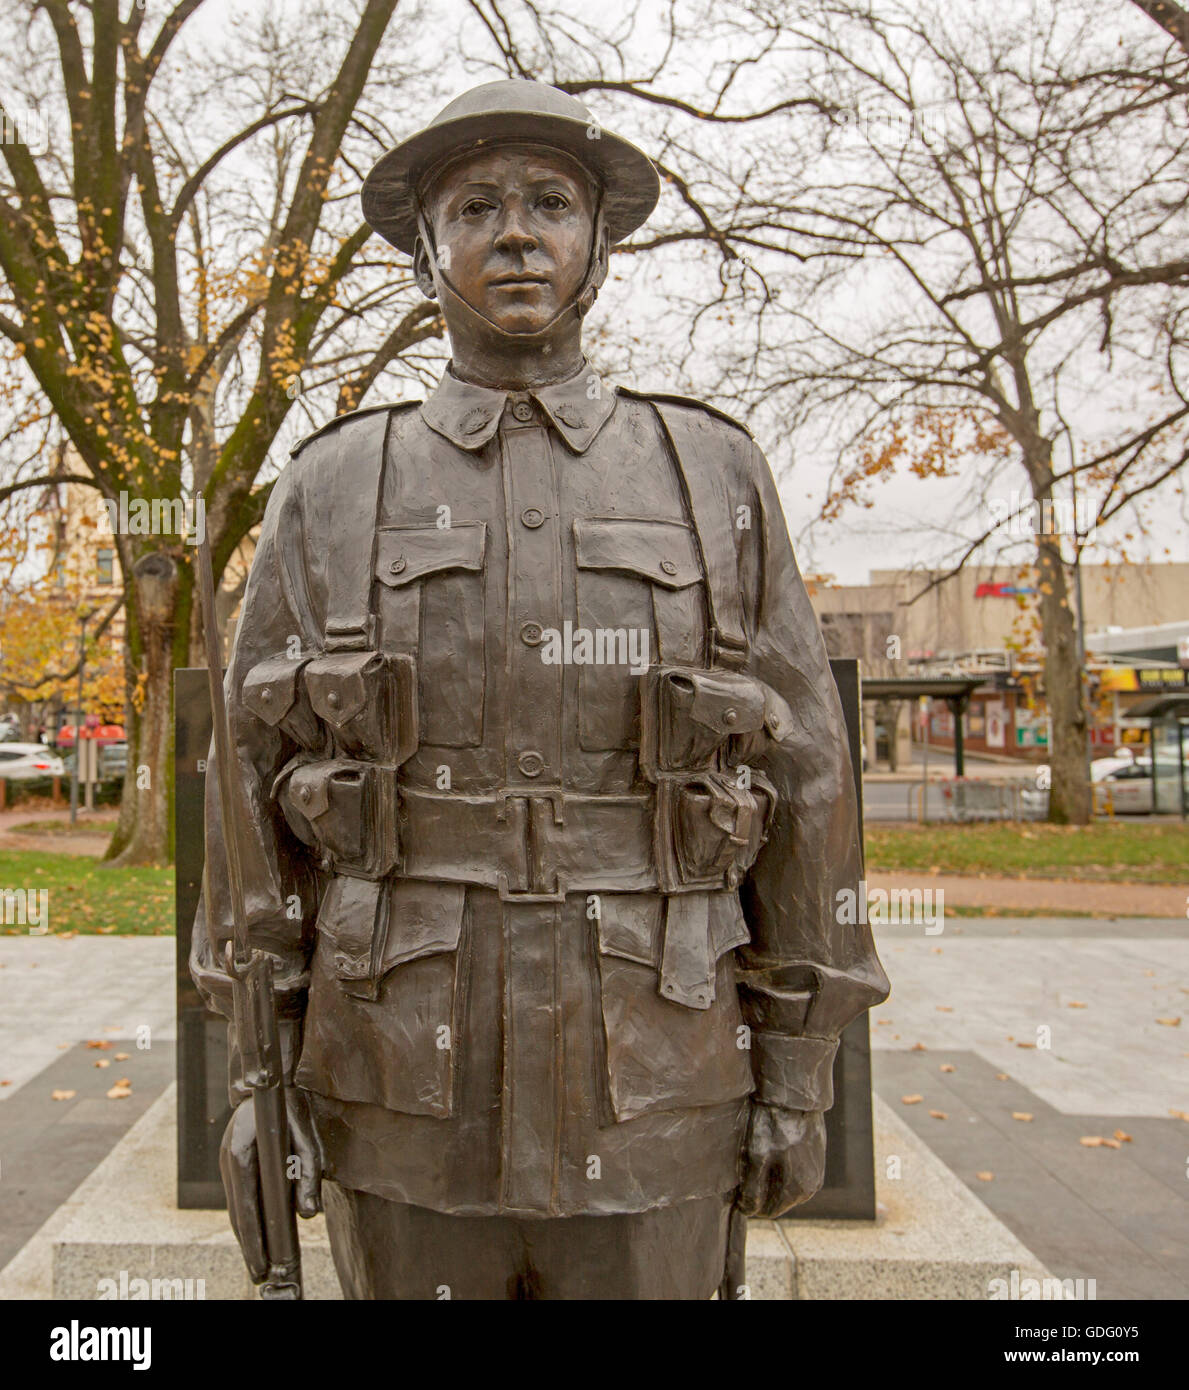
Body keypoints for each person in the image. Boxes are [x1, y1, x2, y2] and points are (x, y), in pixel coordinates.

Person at [191, 78, 888, 1300]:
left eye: (551, 203)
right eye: (474, 207)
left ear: (598, 248)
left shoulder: (707, 467)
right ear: (424, 256)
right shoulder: (336, 484)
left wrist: (797, 1067)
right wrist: (254, 1073)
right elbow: (248, 783)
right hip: (400, 1080)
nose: (515, 232)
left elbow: (806, 772)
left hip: (656, 1074)